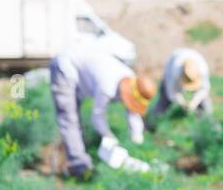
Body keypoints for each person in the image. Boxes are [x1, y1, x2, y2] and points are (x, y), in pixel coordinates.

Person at [48, 41, 156, 177]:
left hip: (83, 68)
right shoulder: (107, 86)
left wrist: (137, 137)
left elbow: (133, 113)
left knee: (75, 120)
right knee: (70, 118)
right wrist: (109, 137)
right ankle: (80, 167)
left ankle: (73, 154)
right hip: (65, 67)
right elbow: (97, 116)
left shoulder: (130, 78)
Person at [146, 47, 213, 129]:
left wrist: (193, 103)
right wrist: (182, 103)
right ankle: (150, 124)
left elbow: (204, 90)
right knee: (164, 102)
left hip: (193, 64)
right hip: (170, 72)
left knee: (205, 105)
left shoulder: (202, 69)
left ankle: (206, 126)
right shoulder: (174, 70)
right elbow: (171, 92)